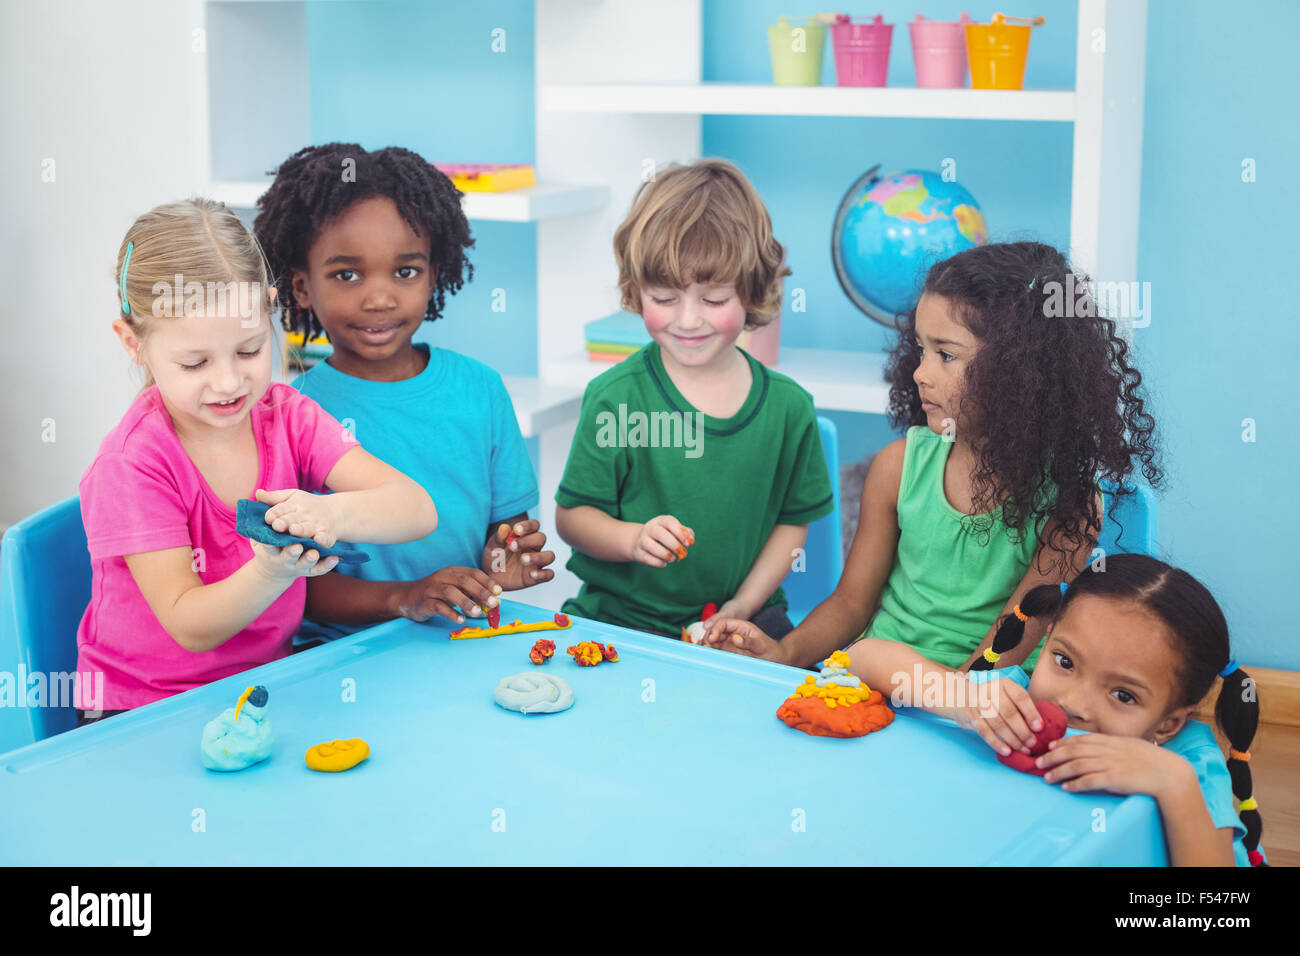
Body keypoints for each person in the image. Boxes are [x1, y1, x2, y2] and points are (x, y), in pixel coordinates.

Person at [707, 242, 1162, 672]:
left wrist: (955, 701)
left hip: (990, 691)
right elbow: (850, 603)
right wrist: (783, 653)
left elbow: (1017, 632)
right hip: (883, 674)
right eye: (922, 349)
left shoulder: (1070, 500)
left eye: (946, 354)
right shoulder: (897, 467)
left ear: (1021, 372)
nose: (920, 373)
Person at [75, 199, 437, 720]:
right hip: (141, 709)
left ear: (269, 309)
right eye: (195, 362)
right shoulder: (133, 463)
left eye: (248, 350)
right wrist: (271, 573)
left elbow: (416, 509)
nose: (228, 382)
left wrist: (331, 514)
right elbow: (190, 625)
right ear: (133, 342)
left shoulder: (287, 416)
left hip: (264, 689)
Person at [253, 144, 553, 645]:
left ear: (434, 275)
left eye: (406, 271)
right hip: (340, 654)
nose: (380, 298)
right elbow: (296, 583)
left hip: (459, 640)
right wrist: (405, 597)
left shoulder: (480, 389)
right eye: (346, 275)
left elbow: (501, 540)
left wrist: (502, 566)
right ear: (302, 288)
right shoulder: (290, 413)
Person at [555, 158, 832, 640]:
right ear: (635, 291)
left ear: (751, 291)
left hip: (748, 617)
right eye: (663, 298)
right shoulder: (615, 398)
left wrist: (743, 605)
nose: (687, 320)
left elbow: (793, 525)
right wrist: (632, 538)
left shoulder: (790, 408)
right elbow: (572, 518)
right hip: (620, 622)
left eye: (713, 299)